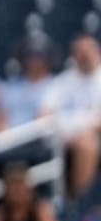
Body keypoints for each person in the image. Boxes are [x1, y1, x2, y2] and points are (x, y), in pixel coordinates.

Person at [41, 34, 101, 198]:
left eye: (89, 50)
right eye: (80, 51)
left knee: (86, 143)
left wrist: (81, 132)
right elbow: (44, 114)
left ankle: (79, 200)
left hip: (91, 136)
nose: (85, 55)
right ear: (73, 55)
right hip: (62, 138)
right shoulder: (63, 82)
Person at [0, 36, 55, 131]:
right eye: (29, 54)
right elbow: (1, 119)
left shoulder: (56, 85)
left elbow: (46, 119)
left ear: (48, 57)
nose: (33, 59)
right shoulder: (11, 87)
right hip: (10, 141)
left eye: (38, 55)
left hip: (40, 139)